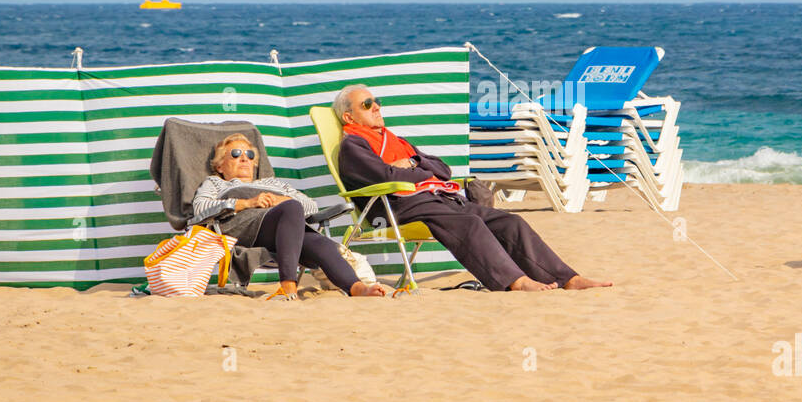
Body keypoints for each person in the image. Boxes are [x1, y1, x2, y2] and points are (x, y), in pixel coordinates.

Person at [332, 84, 612, 292]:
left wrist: (414, 162)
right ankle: (515, 282)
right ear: (349, 118)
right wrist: (417, 171)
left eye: (376, 101)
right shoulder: (353, 146)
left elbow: (442, 169)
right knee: (469, 224)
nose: (377, 107)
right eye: (367, 104)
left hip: (436, 199)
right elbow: (385, 175)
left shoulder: (396, 140)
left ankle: (568, 279)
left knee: (510, 221)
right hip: (399, 208)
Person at [192, 133, 392, 300]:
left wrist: (280, 199)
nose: (244, 158)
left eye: (250, 154)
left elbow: (310, 206)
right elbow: (200, 209)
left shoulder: (274, 184)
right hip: (243, 229)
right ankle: (288, 285)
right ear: (219, 166)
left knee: (318, 241)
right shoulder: (216, 183)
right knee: (292, 209)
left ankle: (357, 288)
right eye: (235, 154)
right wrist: (246, 203)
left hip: (282, 231)